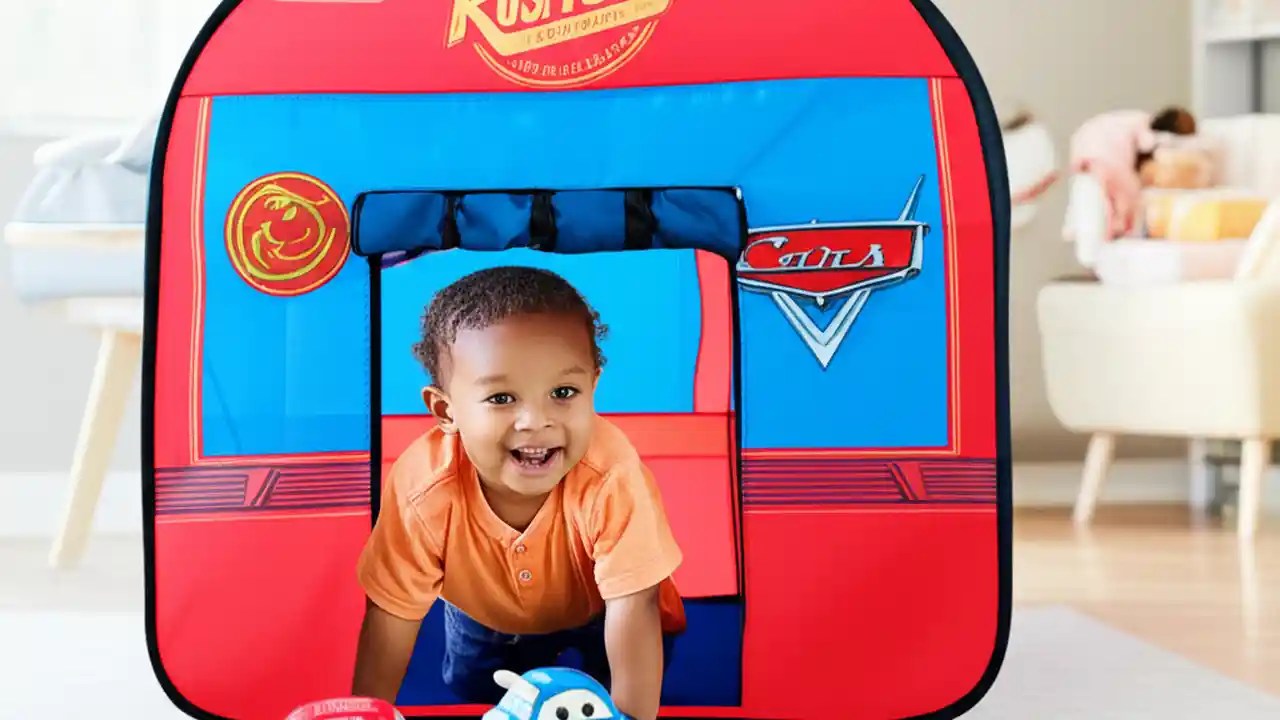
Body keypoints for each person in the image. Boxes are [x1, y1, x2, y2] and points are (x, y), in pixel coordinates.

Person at [351, 265, 685, 720]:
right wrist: (366, 712)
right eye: (502, 398)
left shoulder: (610, 473)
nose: (535, 421)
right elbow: (391, 615)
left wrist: (632, 714)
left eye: (563, 391)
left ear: (594, 387)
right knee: (471, 684)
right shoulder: (423, 489)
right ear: (445, 410)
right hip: (484, 618)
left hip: (597, 612)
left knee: (616, 686)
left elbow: (632, 605)